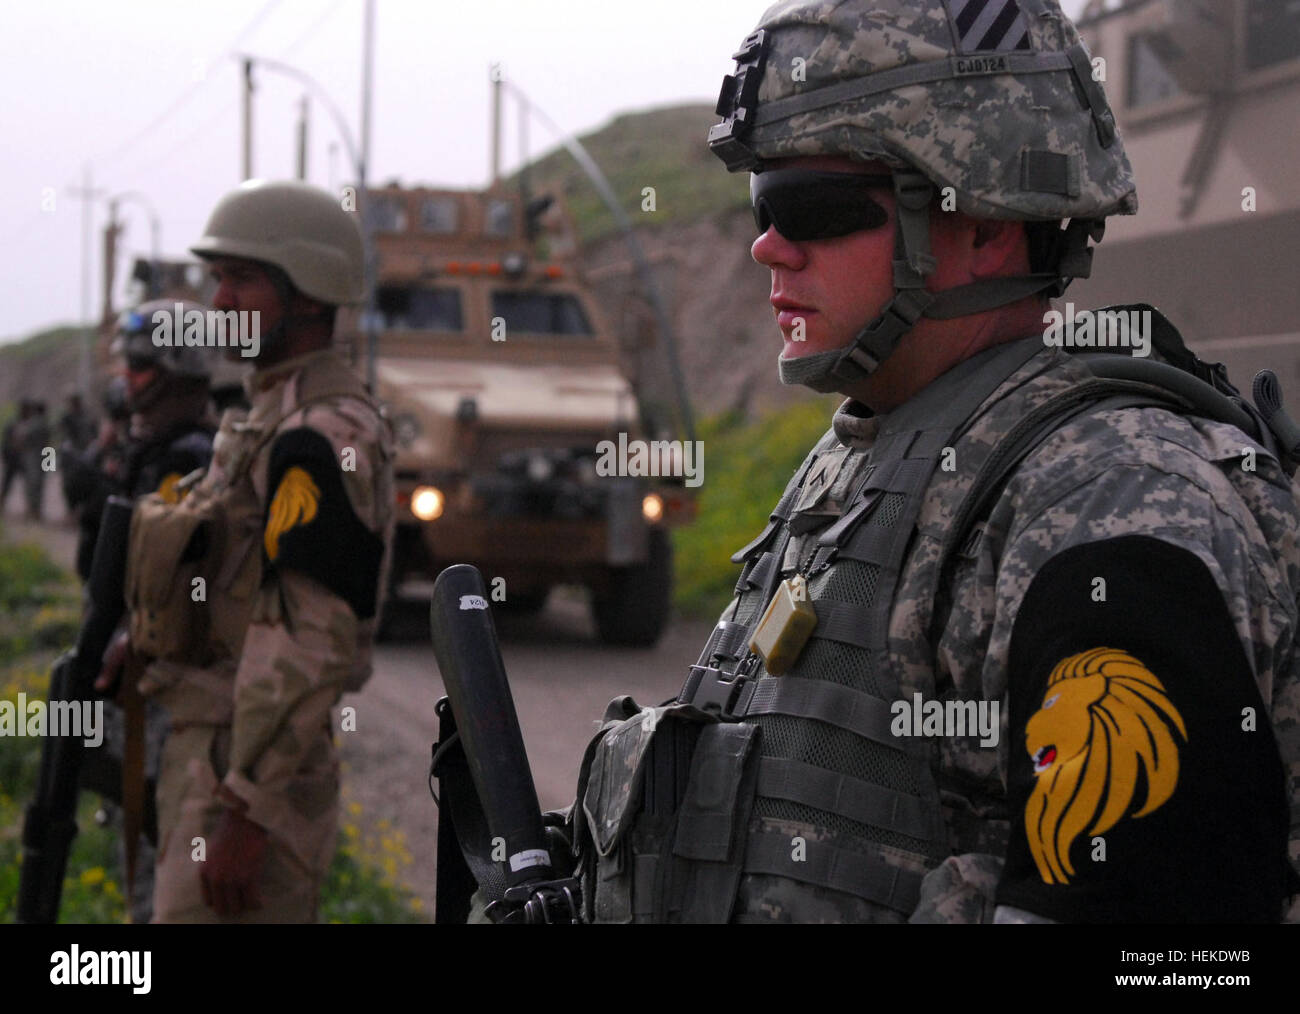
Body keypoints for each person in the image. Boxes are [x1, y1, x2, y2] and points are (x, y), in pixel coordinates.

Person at [566, 0, 1300, 923]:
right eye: (761, 204)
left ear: (986, 221)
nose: (768, 245)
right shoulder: (871, 453)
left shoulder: (1111, 503)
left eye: (812, 208)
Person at [113, 179, 395, 922]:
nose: (219, 302)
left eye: (240, 280)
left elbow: (311, 635)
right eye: (216, 279)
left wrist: (249, 810)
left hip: (248, 775)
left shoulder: (322, 436)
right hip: (213, 757)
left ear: (307, 292)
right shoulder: (267, 417)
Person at [19, 399, 51, 521]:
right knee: (40, 485)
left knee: (32, 484)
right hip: (47, 455)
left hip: (34, 456)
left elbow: (22, 437)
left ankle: (32, 510)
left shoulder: (34, 422)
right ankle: (36, 510)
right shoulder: (47, 423)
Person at [1, 400, 29, 513]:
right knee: (7, 483)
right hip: (12, 458)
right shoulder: (12, 423)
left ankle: (30, 507)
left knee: (28, 484)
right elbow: (5, 443)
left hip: (24, 459)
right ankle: (2, 503)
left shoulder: (31, 424)